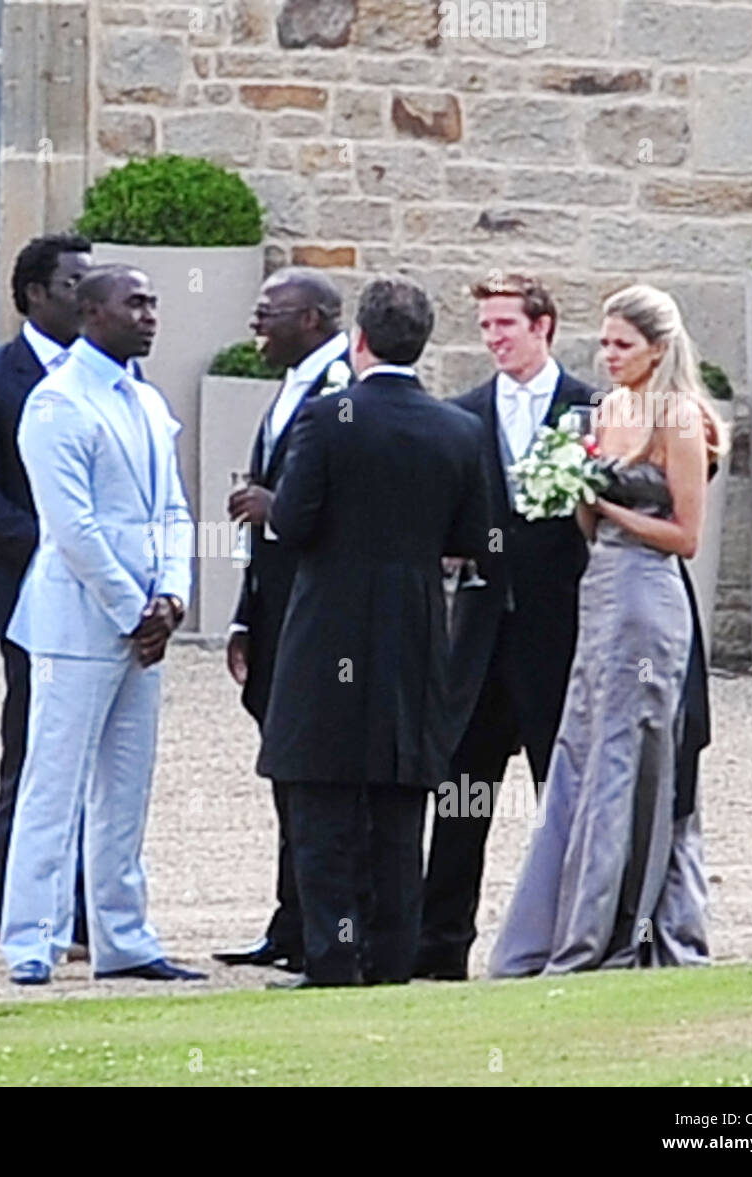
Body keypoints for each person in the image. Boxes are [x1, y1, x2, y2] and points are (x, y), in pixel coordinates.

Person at [488, 283, 728, 977]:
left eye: (623, 344)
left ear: (657, 349)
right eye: (603, 341)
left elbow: (685, 536)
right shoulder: (603, 409)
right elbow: (588, 523)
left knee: (633, 752)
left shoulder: (679, 419)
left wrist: (607, 503)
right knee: (584, 746)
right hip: (599, 593)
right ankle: (564, 920)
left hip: (651, 600)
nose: (609, 354)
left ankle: (625, 926)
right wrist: (572, 494)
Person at [256, 276, 489, 989]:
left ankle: (331, 956)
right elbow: (470, 535)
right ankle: (391, 958)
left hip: (329, 622)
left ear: (359, 339)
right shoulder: (460, 427)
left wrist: (270, 505)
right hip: (413, 626)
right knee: (398, 800)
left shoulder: (329, 417)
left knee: (322, 796)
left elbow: (292, 522)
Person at [0, 265, 204, 985]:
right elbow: (71, 525)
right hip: (76, 622)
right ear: (91, 313)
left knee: (126, 783)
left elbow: (174, 510)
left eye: (154, 301)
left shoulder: (146, 400)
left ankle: (122, 935)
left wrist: (172, 597)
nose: (150, 314)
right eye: (135, 302)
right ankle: (31, 937)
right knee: (53, 782)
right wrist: (132, 608)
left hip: (145, 619)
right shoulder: (55, 403)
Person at [413, 274, 597, 981]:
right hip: (481, 631)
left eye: (505, 326)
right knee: (464, 791)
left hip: (562, 627)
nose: (493, 339)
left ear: (543, 325)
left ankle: (571, 936)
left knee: (567, 789)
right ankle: (439, 943)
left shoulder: (590, 407)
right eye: (485, 326)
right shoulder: (464, 415)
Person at [0, 233, 93, 951]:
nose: (87, 296)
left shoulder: (108, 375)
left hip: (102, 595)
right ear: (36, 294)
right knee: (33, 751)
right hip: (30, 592)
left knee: (98, 756)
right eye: (74, 283)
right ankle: (16, 911)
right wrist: (54, 546)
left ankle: (90, 915)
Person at [213, 267, 350, 975]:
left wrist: (279, 507)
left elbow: (330, 506)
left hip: (316, 612)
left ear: (318, 317)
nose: (256, 326)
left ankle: (322, 925)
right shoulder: (294, 383)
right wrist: (244, 616)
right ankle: (290, 917)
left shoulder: (342, 391)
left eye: (272, 313)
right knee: (284, 769)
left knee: (312, 772)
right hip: (274, 606)